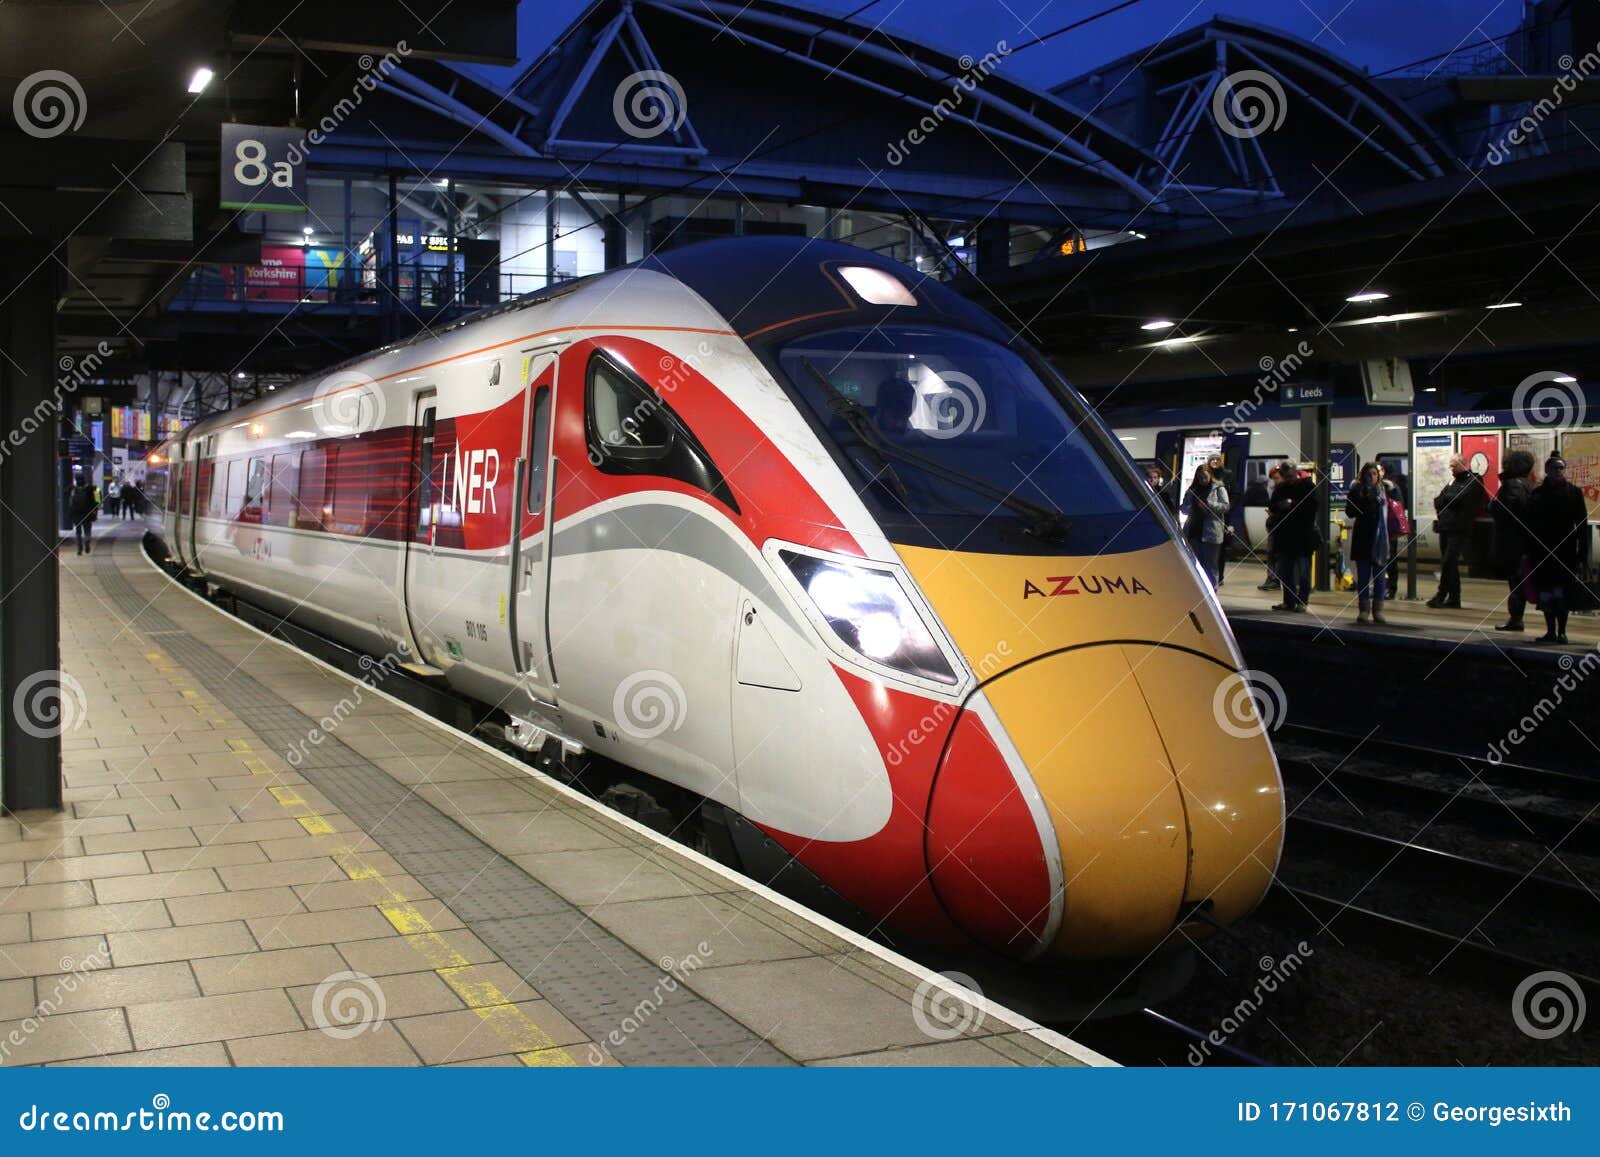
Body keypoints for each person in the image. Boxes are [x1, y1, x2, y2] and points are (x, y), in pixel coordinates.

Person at [1526, 455, 1589, 644]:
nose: (1558, 471)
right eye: (1555, 468)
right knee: (1546, 592)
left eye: (1561, 468)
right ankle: (1550, 631)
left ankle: (1561, 631)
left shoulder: (1573, 493)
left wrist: (1582, 553)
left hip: (1565, 551)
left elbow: (1582, 524)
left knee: (1562, 592)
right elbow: (1530, 524)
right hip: (1543, 551)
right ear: (1547, 470)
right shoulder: (1537, 494)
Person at [1427, 453, 1486, 609]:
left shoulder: (1474, 480)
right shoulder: (1452, 481)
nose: (1451, 469)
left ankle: (1441, 595)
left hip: (1460, 528)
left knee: (1448, 561)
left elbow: (1457, 499)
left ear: (1463, 464)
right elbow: (1438, 501)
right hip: (1445, 527)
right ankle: (1454, 597)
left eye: (1453, 465)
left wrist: (1447, 498)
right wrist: (1448, 498)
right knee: (1449, 563)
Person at [1487, 450, 1536, 632]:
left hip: (1512, 542)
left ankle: (1516, 619)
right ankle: (1516, 618)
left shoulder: (1511, 486)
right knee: (1519, 580)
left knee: (1515, 581)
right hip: (1522, 541)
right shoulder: (1527, 484)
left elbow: (1502, 512)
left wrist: (1494, 505)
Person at [1268, 461, 1319, 612]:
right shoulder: (1281, 488)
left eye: (1290, 475)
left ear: (1295, 472)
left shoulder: (1308, 486)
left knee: (1304, 572)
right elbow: (1272, 505)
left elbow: (1313, 507)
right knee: (1285, 571)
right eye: (1286, 476)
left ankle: (1303, 601)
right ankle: (1289, 601)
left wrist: (1292, 504)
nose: (1288, 479)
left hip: (1303, 536)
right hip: (1285, 537)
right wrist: (1280, 506)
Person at [1345, 463, 1391, 624]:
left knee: (1380, 577)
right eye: (1369, 474)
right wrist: (1365, 500)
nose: (1372, 477)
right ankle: (1363, 609)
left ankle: (1378, 610)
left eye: (1374, 474)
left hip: (1380, 540)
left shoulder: (1385, 491)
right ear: (1363, 475)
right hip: (1363, 538)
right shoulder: (1356, 491)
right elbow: (1350, 511)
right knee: (1363, 576)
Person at [1181, 464, 1230, 585]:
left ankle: (1212, 592)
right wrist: (1192, 507)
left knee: (1211, 566)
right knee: (1197, 564)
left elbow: (1226, 506)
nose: (1203, 480)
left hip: (1211, 533)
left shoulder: (1218, 488)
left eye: (1205, 477)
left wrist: (1210, 505)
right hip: (1193, 532)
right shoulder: (1192, 490)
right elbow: (1183, 508)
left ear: (1210, 475)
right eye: (1200, 478)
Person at [1257, 465, 1282, 591]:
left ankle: (1275, 579)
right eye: (1273, 478)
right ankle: (1271, 578)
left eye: (1276, 478)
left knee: (1275, 554)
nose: (1274, 481)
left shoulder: (1282, 491)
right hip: (1273, 525)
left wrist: (1274, 513)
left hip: (1279, 527)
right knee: (1271, 553)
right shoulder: (1274, 490)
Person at [1207, 452, 1230, 586]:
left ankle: (1217, 579)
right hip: (1205, 527)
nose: (1215, 462)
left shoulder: (1225, 478)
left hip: (1219, 521)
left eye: (1217, 459)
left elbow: (1228, 502)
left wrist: (1210, 505)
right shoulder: (1204, 478)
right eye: (1212, 460)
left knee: (1217, 555)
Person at [67, 473, 99, 555]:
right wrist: (95, 509)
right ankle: (87, 539)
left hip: (76, 514)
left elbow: (65, 493)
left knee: (78, 532)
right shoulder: (90, 488)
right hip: (87, 513)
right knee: (87, 529)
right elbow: (98, 499)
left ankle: (79, 550)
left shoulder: (73, 488)